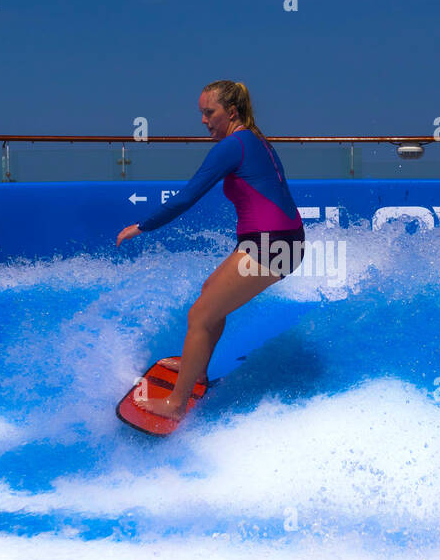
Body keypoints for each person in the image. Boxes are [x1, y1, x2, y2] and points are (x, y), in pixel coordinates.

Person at [116, 81, 305, 421]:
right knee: (209, 298)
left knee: (200, 315)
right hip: (279, 240)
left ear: (231, 112)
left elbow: (187, 196)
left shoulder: (232, 145)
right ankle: (197, 371)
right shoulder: (256, 140)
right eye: (201, 113)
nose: (203, 120)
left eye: (209, 113)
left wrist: (142, 226)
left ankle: (175, 405)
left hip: (272, 243)